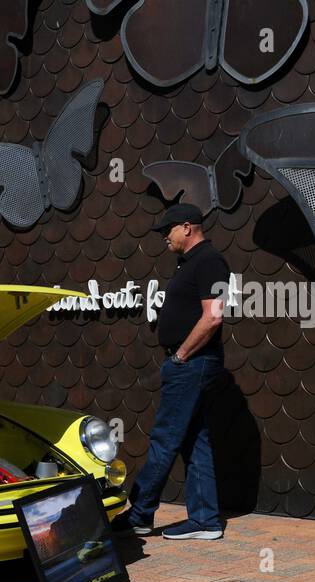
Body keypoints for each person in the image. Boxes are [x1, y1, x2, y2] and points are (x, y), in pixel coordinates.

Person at [113, 203, 229, 541]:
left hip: (192, 363)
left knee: (165, 438)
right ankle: (206, 520)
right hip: (190, 362)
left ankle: (139, 514)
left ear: (188, 227)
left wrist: (180, 355)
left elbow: (214, 316)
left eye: (169, 229)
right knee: (196, 440)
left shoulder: (209, 261)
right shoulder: (190, 263)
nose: (164, 236)